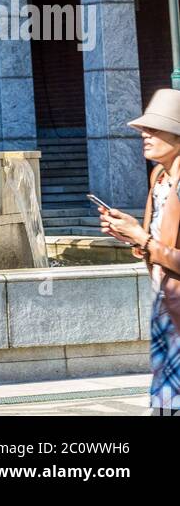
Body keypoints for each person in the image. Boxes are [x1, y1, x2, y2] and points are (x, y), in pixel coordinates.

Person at [98, 89, 180, 417]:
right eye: (144, 128)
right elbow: (156, 242)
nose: (144, 134)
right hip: (166, 305)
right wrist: (130, 234)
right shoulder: (159, 178)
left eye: (154, 128)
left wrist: (142, 239)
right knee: (163, 401)